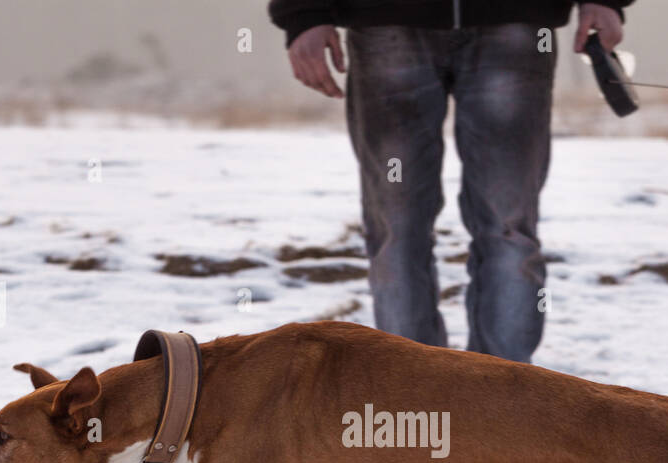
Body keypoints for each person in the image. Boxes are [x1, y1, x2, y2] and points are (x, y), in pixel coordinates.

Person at [269, 0, 632, 364]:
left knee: (508, 229)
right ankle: (412, 392)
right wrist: (304, 13)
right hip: (385, 20)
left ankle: (501, 397)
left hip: (517, 21)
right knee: (398, 229)